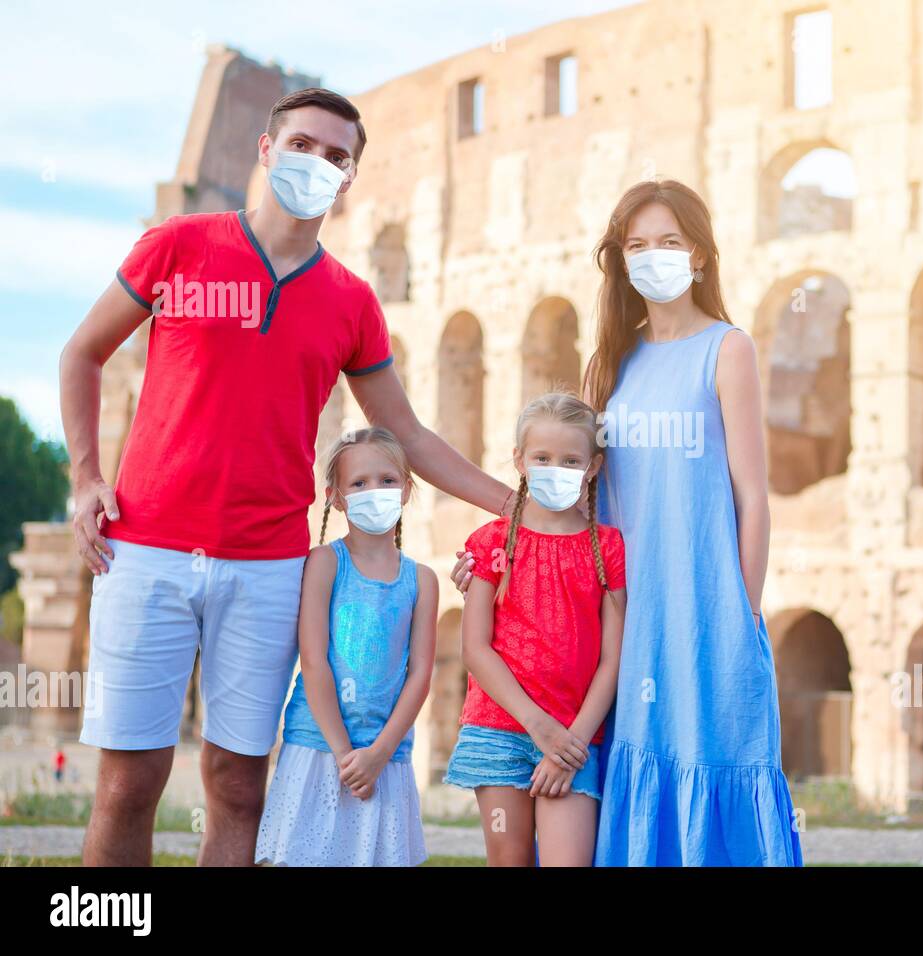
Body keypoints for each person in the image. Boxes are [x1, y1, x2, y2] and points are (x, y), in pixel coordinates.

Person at [61, 87, 518, 866]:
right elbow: (82, 352)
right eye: (303, 145)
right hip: (147, 549)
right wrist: (83, 475)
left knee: (238, 784)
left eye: (338, 158)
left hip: (269, 566)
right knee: (126, 784)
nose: (318, 164)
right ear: (267, 152)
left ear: (349, 182)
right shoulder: (178, 245)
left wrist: (515, 506)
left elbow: (405, 433)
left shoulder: (350, 301)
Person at [454, 179, 802, 865]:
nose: (653, 257)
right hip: (615, 609)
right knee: (629, 769)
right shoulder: (609, 363)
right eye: (637, 244)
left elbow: (752, 495)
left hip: (704, 608)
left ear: (698, 255)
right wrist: (500, 553)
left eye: (669, 242)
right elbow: (566, 495)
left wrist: (744, 607)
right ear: (620, 259)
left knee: (712, 756)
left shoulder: (728, 350)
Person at [443, 392, 626, 866]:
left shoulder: (608, 548)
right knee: (510, 858)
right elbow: (476, 649)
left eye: (570, 460)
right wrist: (537, 725)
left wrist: (572, 741)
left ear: (592, 467)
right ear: (520, 460)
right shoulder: (491, 542)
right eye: (542, 458)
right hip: (500, 728)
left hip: (574, 737)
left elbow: (612, 659)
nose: (555, 468)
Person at [256, 428, 436, 866]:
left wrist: (378, 755)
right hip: (320, 748)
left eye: (387, 480)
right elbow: (314, 661)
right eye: (359, 483)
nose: (375, 491)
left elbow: (420, 675)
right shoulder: (324, 563)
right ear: (336, 497)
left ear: (407, 489)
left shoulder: (422, 581)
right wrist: (344, 754)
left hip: (385, 757)